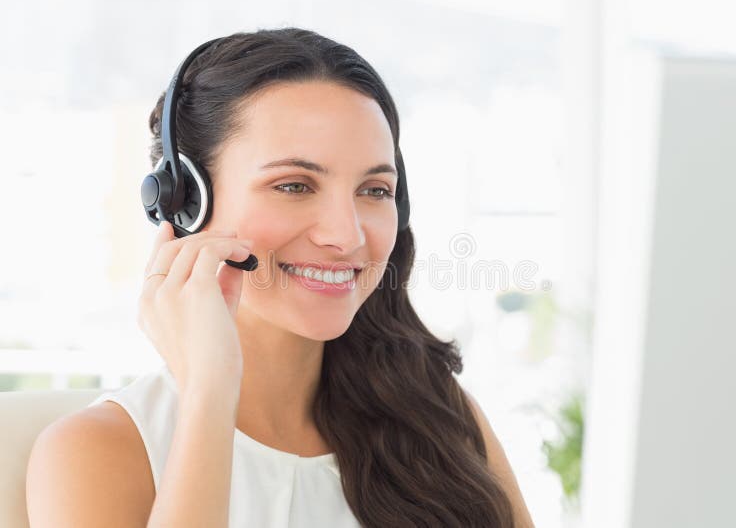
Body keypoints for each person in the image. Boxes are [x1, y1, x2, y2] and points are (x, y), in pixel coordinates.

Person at [26, 27, 535, 528]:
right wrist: (210, 393)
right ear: (186, 201)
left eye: (375, 190)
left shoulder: (437, 418)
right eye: (294, 185)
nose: (346, 235)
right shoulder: (94, 452)